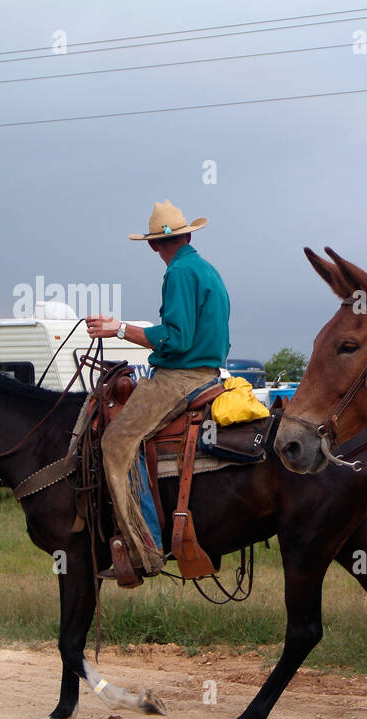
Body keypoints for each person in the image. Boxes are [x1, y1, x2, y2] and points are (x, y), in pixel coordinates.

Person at [85, 199, 231, 578]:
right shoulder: (207, 270)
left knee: (116, 442)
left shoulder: (179, 273)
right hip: (211, 372)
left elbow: (176, 339)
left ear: (153, 245)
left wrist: (118, 329)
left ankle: (145, 548)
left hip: (180, 378)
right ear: (187, 235)